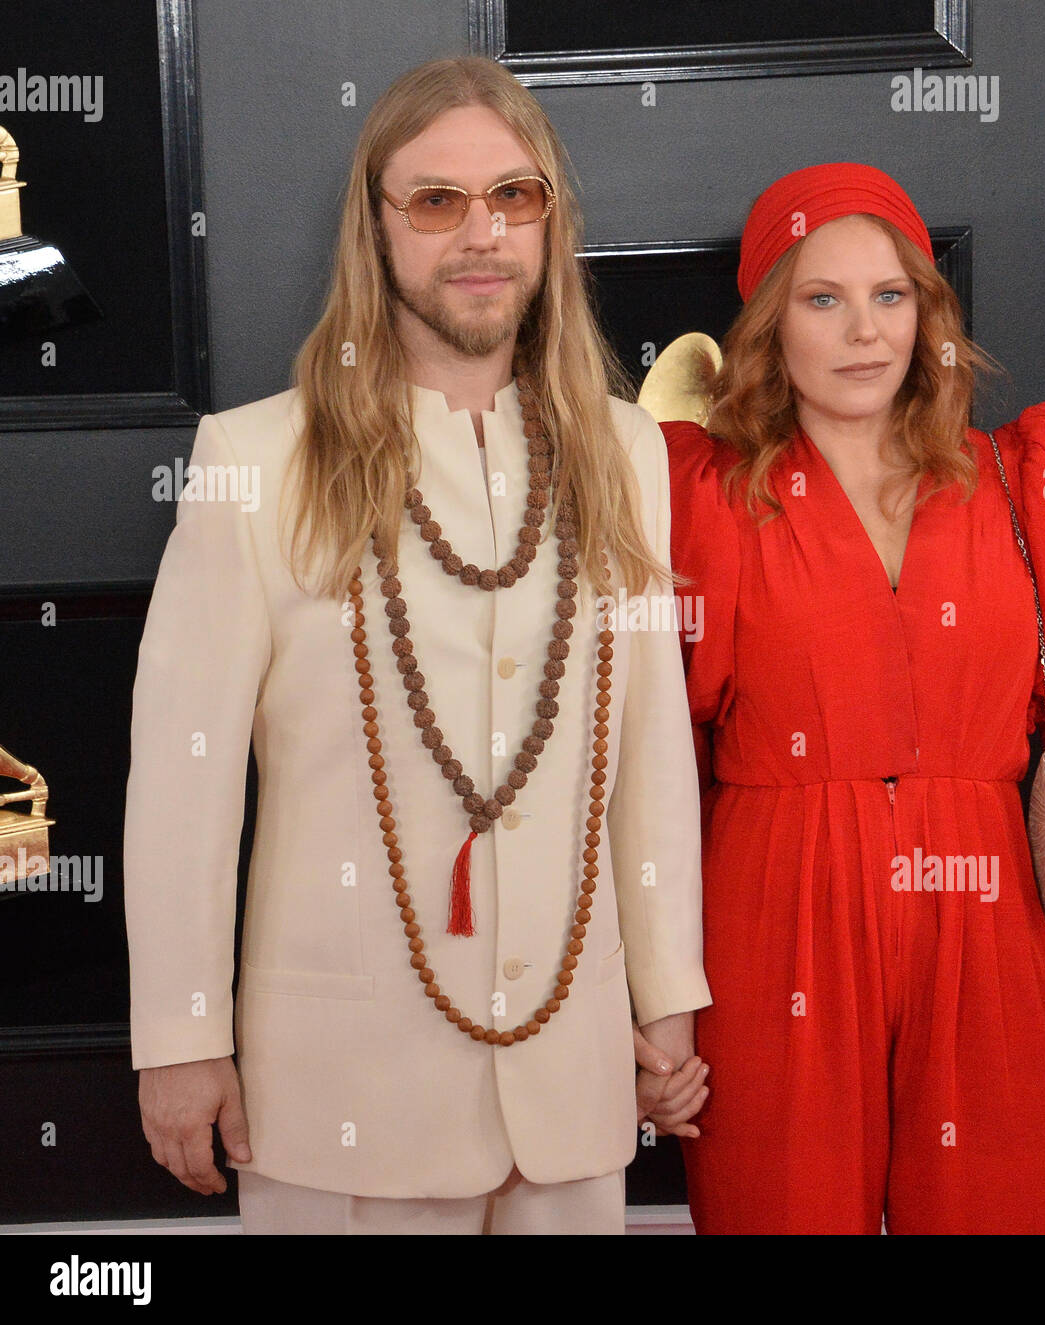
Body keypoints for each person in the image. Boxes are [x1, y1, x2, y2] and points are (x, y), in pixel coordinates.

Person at [122, 56, 710, 1237]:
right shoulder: (253, 459)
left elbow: (648, 754)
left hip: (570, 1073)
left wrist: (667, 1000)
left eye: (513, 196)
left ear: (550, 221)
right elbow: (184, 786)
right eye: (436, 201)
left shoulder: (628, 448)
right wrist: (181, 1039)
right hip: (338, 1092)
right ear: (375, 228)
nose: (479, 234)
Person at [660, 162, 1045, 1235]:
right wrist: (651, 1007)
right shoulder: (703, 494)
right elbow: (646, 771)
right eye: (823, 298)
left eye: (890, 295)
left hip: (988, 929)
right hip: (771, 937)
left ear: (926, 313)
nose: (864, 330)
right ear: (772, 324)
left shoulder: (1024, 475)